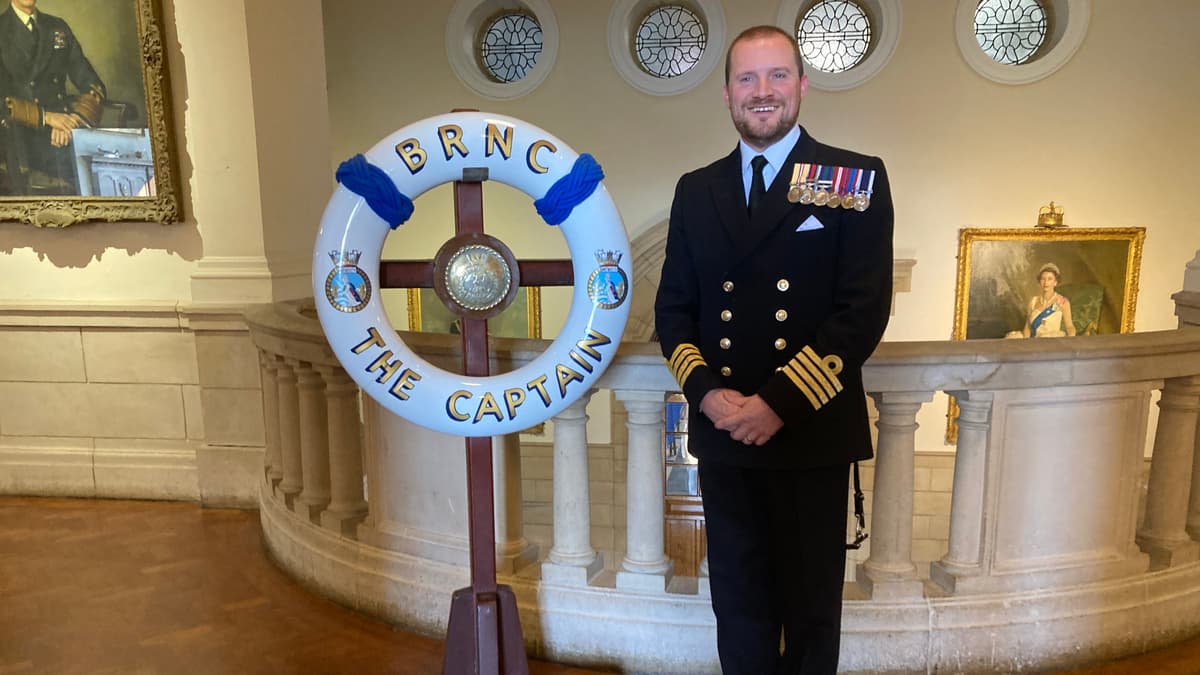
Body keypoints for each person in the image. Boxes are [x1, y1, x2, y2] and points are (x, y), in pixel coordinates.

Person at [654, 25, 893, 674]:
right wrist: (708, 395)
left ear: (803, 85)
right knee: (737, 604)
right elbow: (672, 311)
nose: (763, 92)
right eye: (747, 78)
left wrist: (778, 403)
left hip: (810, 432)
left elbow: (862, 310)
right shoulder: (696, 190)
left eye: (777, 76)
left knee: (813, 610)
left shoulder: (851, 177)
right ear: (727, 93)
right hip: (726, 435)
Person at [0, 0, 106, 195]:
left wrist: (74, 120)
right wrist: (47, 117)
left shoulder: (57, 27)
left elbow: (93, 85)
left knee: (108, 162)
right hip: (18, 136)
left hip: (65, 130)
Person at [1022, 262, 1076, 338]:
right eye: (1043, 279)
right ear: (1039, 281)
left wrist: (1071, 340)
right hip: (1034, 344)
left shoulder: (1062, 301)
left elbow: (1070, 327)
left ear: (1055, 282)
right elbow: (1027, 328)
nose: (1046, 282)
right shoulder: (1033, 302)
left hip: (1052, 345)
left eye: (1050, 279)